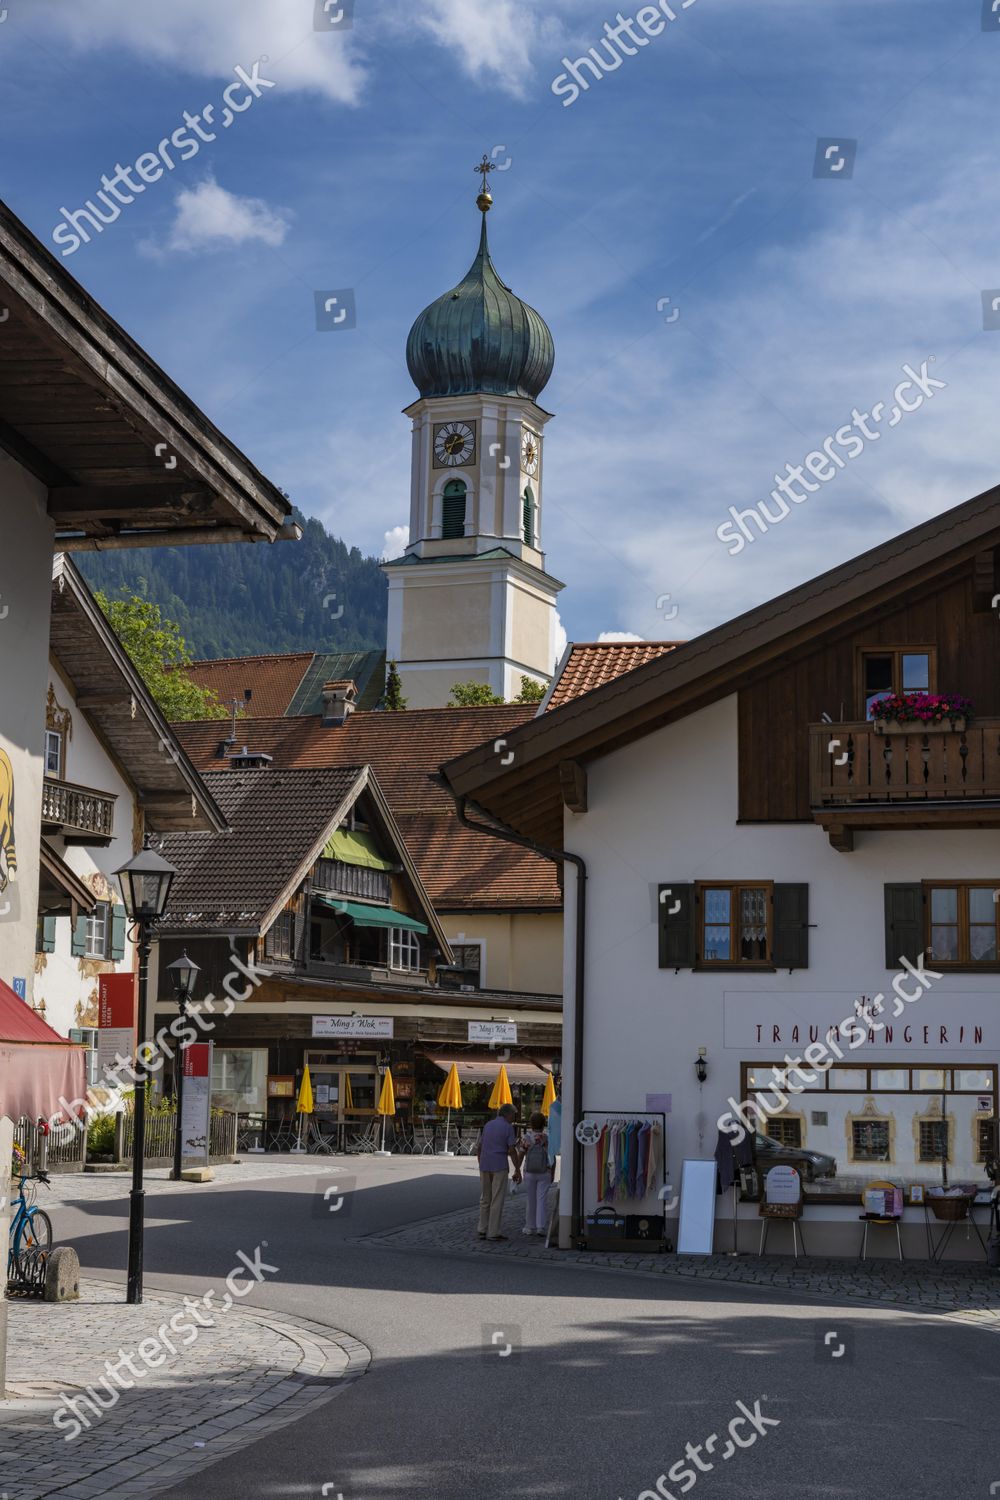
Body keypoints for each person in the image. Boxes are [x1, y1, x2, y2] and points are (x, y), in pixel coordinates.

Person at [476, 1103, 521, 1240]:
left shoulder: (488, 1125)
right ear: (507, 1114)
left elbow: (479, 1146)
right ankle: (493, 1232)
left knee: (485, 1198)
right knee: (497, 1199)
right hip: (499, 1165)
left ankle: (482, 1229)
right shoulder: (508, 1128)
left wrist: (480, 1162)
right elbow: (512, 1150)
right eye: (514, 1114)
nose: (514, 1116)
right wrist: (517, 1168)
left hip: (485, 1164)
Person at [517, 1111, 551, 1236]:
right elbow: (551, 1156)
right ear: (544, 1124)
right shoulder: (547, 1138)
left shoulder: (526, 1138)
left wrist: (517, 1169)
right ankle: (541, 1227)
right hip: (545, 1171)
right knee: (542, 1199)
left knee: (531, 1200)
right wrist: (552, 1172)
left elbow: (520, 1154)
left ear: (531, 1124)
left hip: (529, 1171)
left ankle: (529, 1226)